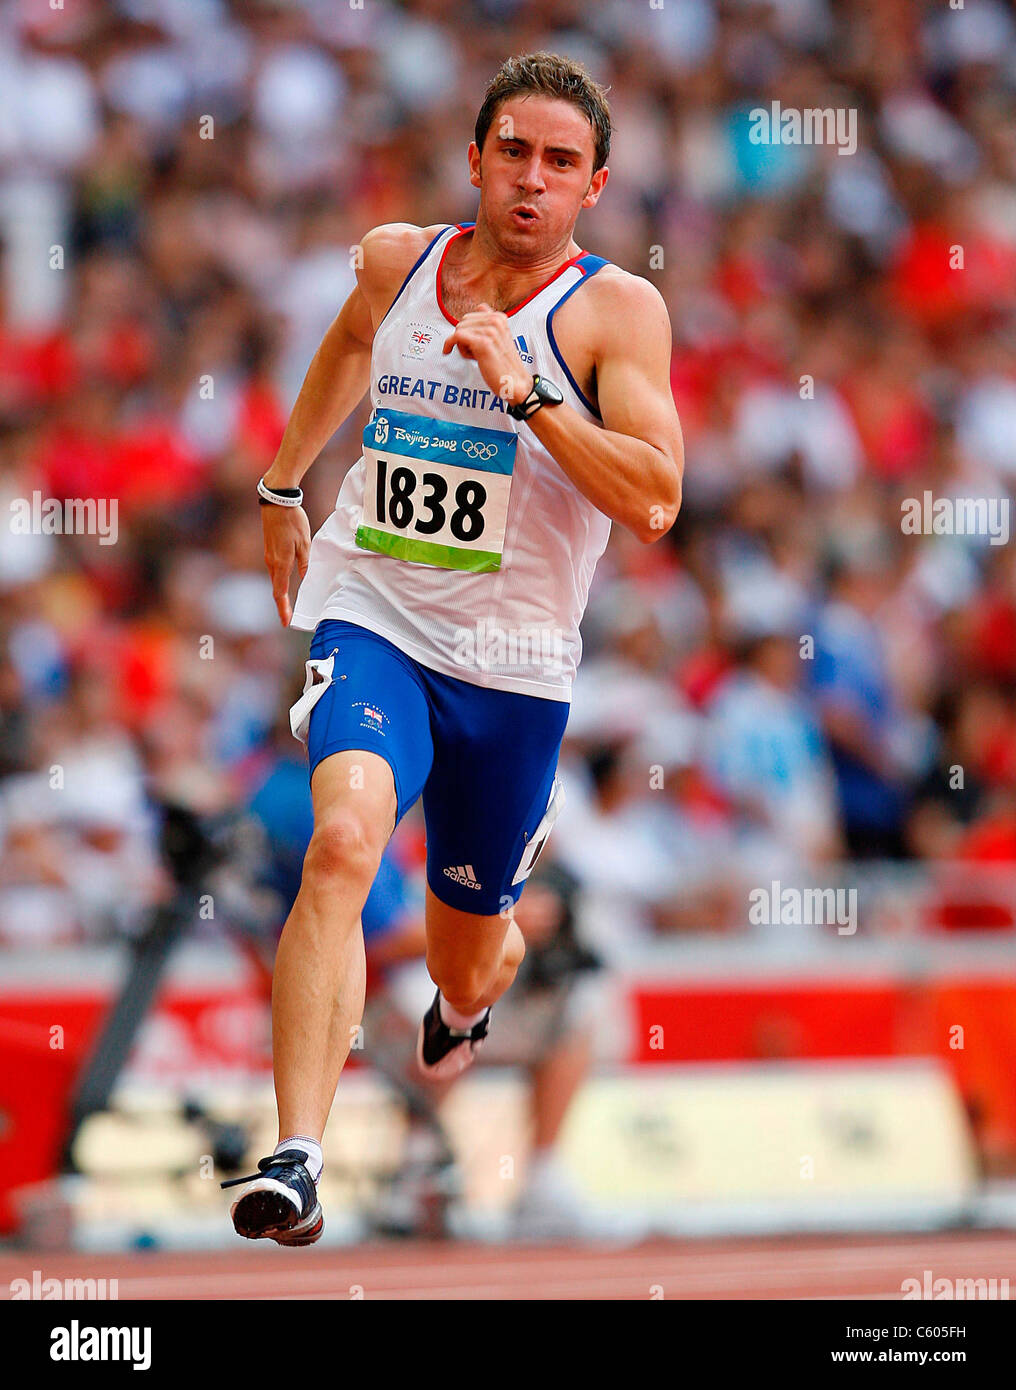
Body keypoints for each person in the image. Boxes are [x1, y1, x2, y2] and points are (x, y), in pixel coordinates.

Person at [222, 51, 683, 1246]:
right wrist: (281, 486)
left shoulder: (612, 312)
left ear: (593, 186)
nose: (532, 179)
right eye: (514, 152)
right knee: (339, 842)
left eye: (561, 163)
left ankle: (470, 999)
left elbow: (653, 498)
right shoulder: (398, 260)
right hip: (375, 613)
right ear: (474, 157)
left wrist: (529, 392)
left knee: (468, 959)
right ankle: (298, 1154)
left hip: (515, 666)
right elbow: (345, 346)